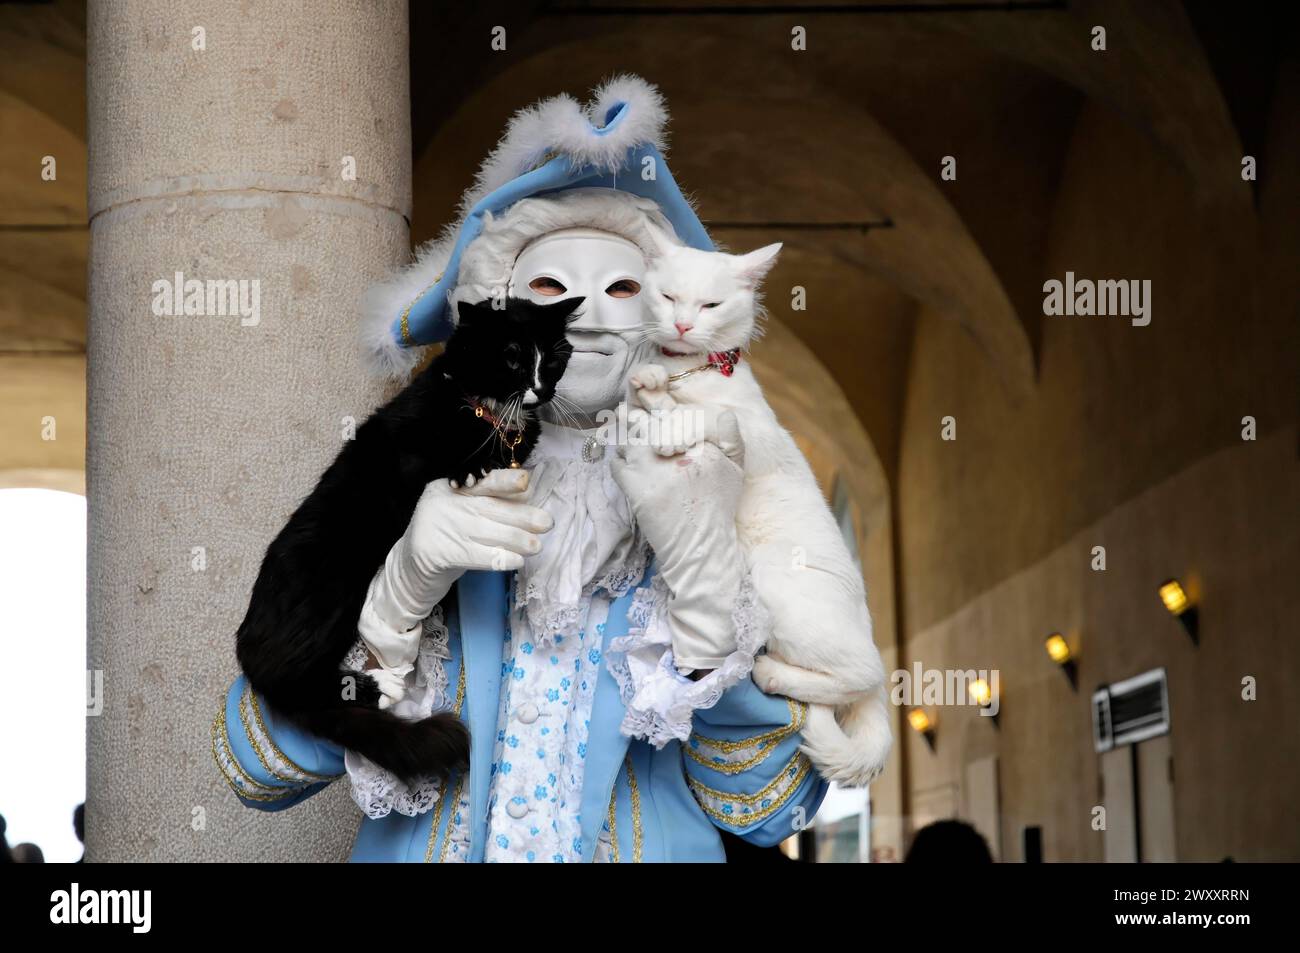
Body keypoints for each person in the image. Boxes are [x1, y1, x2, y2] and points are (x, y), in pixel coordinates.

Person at [214, 75, 863, 862]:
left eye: (623, 286)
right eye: (552, 287)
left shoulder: (716, 481)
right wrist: (395, 602)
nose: (585, 312)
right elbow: (259, 768)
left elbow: (768, 806)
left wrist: (705, 587)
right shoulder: (417, 470)